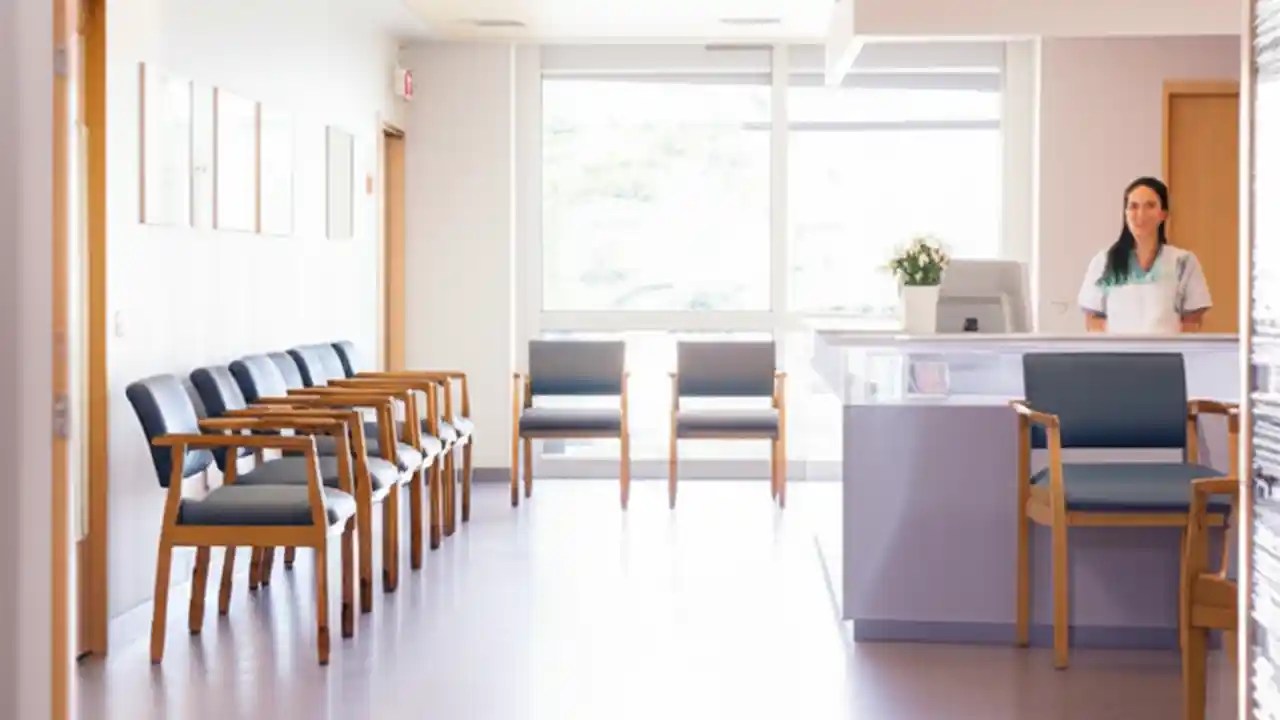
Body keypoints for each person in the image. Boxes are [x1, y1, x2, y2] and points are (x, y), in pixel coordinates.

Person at [1077, 176, 1212, 334]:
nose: (1141, 214)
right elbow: (1093, 317)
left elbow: (1192, 318)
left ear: (1163, 214)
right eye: (1133, 206)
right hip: (1117, 356)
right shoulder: (1104, 261)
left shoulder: (1183, 261)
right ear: (1125, 213)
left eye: (1150, 206)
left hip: (1166, 355)